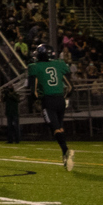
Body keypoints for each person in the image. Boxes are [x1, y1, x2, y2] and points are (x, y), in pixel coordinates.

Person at [24, 43, 76, 172]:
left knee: (54, 128)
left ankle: (65, 150)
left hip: (48, 101)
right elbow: (70, 87)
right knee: (59, 127)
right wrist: (66, 98)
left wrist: (37, 100)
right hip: (60, 100)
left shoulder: (35, 67)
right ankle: (64, 154)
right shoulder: (58, 64)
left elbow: (33, 91)